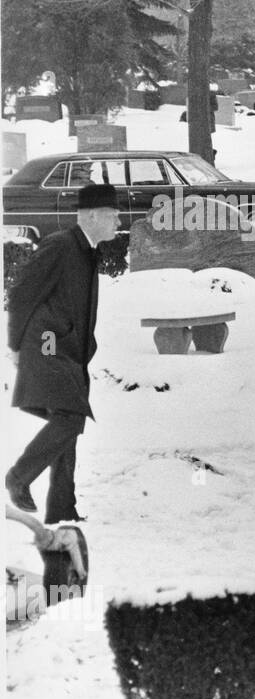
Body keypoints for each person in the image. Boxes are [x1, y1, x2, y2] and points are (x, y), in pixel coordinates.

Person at [6, 183, 119, 523]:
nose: (118, 222)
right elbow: (23, 292)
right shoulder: (60, 245)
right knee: (70, 416)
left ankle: (61, 509)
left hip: (70, 347)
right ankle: (18, 477)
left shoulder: (88, 250)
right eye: (113, 216)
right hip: (47, 341)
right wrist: (14, 345)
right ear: (93, 215)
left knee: (66, 421)